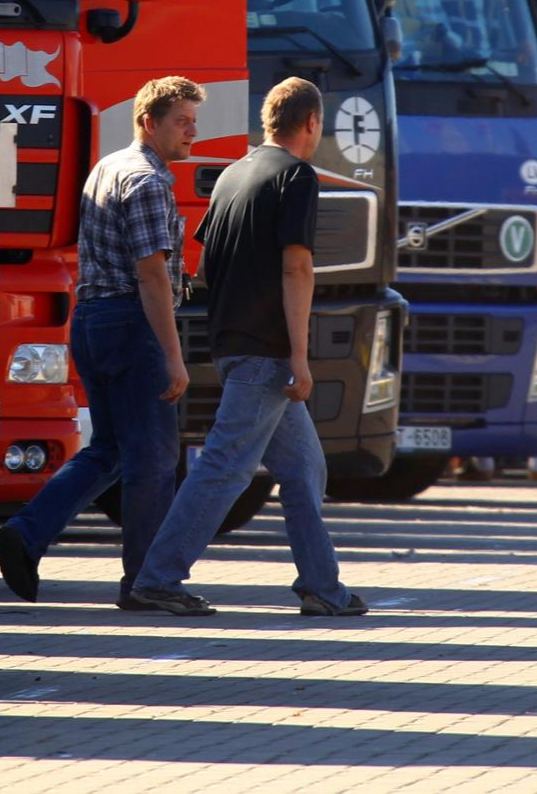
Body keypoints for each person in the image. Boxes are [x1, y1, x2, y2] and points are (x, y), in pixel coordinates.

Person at [129, 77, 366, 617]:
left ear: (268, 122)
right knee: (226, 467)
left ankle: (321, 587)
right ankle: (159, 578)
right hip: (268, 352)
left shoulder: (234, 173)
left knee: (304, 469)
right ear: (311, 124)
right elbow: (296, 266)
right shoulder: (298, 177)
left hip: (233, 343)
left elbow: (209, 266)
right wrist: (300, 357)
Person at [0, 76, 203, 606]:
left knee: (108, 449)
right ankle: (148, 584)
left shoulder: (107, 167)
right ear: (148, 122)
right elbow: (152, 275)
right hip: (133, 323)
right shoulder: (149, 181)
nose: (192, 133)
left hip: (90, 320)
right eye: (182, 122)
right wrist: (174, 357)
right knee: (154, 460)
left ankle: (26, 531)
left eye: (194, 122)